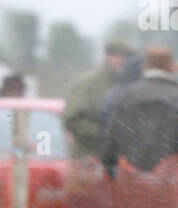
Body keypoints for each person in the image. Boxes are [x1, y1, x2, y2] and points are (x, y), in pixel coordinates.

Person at [102, 46, 178, 178]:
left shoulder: (128, 95)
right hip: (171, 183)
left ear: (146, 66)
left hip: (132, 180)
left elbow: (112, 141)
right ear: (171, 66)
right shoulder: (175, 96)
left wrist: (110, 168)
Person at [62, 40, 131, 158]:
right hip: (87, 159)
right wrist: (103, 133)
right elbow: (70, 119)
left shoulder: (128, 85)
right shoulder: (88, 83)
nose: (125, 62)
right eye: (121, 57)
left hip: (116, 163)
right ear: (109, 57)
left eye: (127, 58)